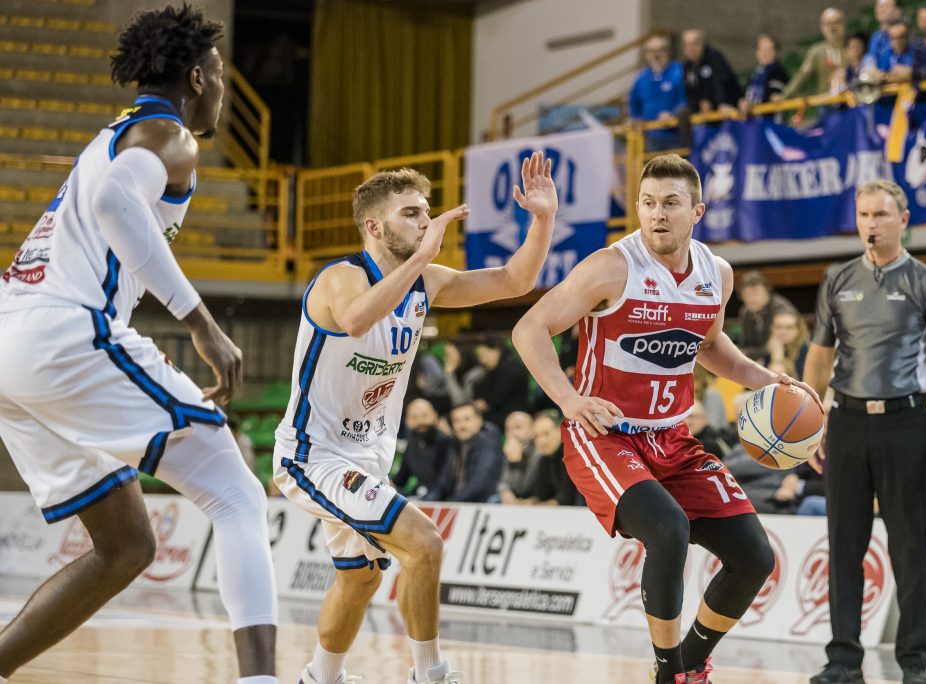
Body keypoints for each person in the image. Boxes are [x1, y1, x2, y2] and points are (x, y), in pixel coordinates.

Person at [0, 6, 279, 683]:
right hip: (67, 333)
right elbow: (115, 207)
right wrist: (201, 323)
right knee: (238, 496)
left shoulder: (114, 135)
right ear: (195, 75)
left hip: (12, 346)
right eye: (217, 76)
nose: (220, 91)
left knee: (124, 546)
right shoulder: (170, 136)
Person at [512, 154, 820, 684]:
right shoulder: (609, 267)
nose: (658, 214)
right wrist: (569, 401)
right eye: (648, 204)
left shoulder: (715, 274)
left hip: (672, 438)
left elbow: (711, 346)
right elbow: (529, 330)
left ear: (695, 211)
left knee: (755, 556)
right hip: (604, 436)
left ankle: (693, 662)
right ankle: (667, 672)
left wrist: (768, 380)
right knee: (669, 530)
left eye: (671, 204)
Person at [272, 151, 557, 684]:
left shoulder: (427, 281)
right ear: (373, 225)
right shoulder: (341, 278)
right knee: (425, 544)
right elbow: (358, 319)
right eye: (411, 214)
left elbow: (515, 280)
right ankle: (431, 675)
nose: (426, 223)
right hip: (315, 453)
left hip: (366, 455)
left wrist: (542, 220)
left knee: (358, 581)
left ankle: (320, 676)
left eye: (427, 213)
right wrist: (423, 257)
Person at [804, 179, 926, 684]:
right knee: (844, 544)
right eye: (863, 215)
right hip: (848, 421)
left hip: (905, 421)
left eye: (880, 214)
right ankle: (842, 661)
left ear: (903, 219)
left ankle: (913, 664)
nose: (870, 224)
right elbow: (819, 356)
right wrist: (813, 424)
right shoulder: (837, 279)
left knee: (909, 546)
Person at [629, 32, 688, 152]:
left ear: (667, 51)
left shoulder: (679, 71)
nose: (656, 54)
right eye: (652, 51)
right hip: (652, 137)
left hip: (676, 134)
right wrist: (636, 118)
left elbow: (686, 100)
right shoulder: (642, 78)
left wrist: (673, 114)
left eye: (660, 50)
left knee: (676, 170)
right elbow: (633, 104)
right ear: (646, 54)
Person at [392, 399, 457, 500]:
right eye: (414, 417)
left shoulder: (447, 444)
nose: (420, 421)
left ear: (435, 417)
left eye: (424, 416)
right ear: (407, 422)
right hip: (419, 495)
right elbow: (401, 478)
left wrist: (424, 503)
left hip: (444, 500)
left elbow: (444, 484)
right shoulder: (411, 444)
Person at [782, 8, 847, 99]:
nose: (832, 27)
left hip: (852, 102)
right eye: (828, 24)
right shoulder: (817, 51)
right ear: (822, 27)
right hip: (827, 103)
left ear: (843, 24)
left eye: (836, 22)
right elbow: (802, 74)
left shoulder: (853, 47)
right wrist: (784, 95)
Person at [736, 270, 797, 360]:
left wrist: (747, 353)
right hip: (760, 359)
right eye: (748, 294)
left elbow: (782, 344)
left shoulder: (782, 311)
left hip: (786, 358)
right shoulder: (745, 313)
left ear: (767, 292)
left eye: (757, 293)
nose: (753, 299)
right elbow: (746, 344)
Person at [681, 30, 743, 113]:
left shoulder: (714, 58)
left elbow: (720, 82)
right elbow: (690, 91)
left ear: (702, 43)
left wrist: (721, 102)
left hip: (729, 107)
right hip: (704, 113)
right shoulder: (687, 66)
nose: (691, 49)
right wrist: (700, 103)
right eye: (687, 45)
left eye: (694, 44)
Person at [740, 34, 789, 113]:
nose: (765, 53)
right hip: (751, 120)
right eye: (762, 50)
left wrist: (752, 105)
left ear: (775, 52)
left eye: (769, 50)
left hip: (769, 121)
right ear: (757, 52)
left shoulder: (778, 71)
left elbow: (774, 95)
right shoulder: (755, 73)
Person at [763, 309, 810, 381]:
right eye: (779, 327)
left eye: (789, 327)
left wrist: (777, 359)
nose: (783, 332)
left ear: (798, 330)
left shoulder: (807, 350)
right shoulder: (772, 348)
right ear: (772, 329)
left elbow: (797, 384)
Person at [865, 0, 903, 71]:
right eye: (878, 6)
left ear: (897, 11)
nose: (881, 10)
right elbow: (870, 61)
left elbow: (904, 69)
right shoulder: (875, 37)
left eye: (886, 6)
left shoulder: (903, 35)